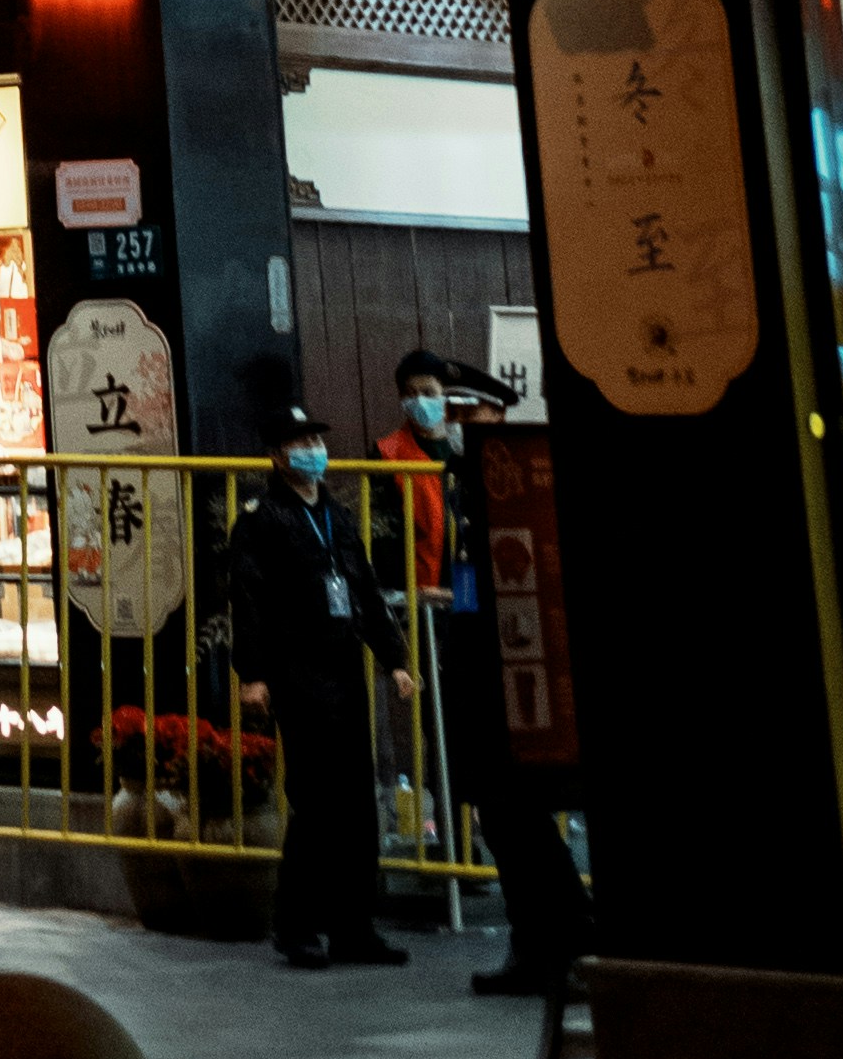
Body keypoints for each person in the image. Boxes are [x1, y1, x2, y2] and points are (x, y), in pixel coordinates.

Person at [377, 352, 580, 995]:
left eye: (468, 411)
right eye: (453, 410)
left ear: (496, 413)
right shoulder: (464, 478)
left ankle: (570, 941)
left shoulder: (518, 477)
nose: (456, 421)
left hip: (517, 667)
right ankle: (533, 947)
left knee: (522, 820)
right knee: (500, 819)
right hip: (474, 664)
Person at [228, 409, 417, 967]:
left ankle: (355, 927)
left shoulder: (335, 513)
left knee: (358, 801)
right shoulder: (262, 521)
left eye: (315, 440)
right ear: (278, 456)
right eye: (301, 442)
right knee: (314, 800)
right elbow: (248, 599)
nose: (313, 449)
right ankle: (297, 926)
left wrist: (393, 658)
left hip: (343, 667)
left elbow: (363, 588)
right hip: (296, 671)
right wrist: (253, 674)